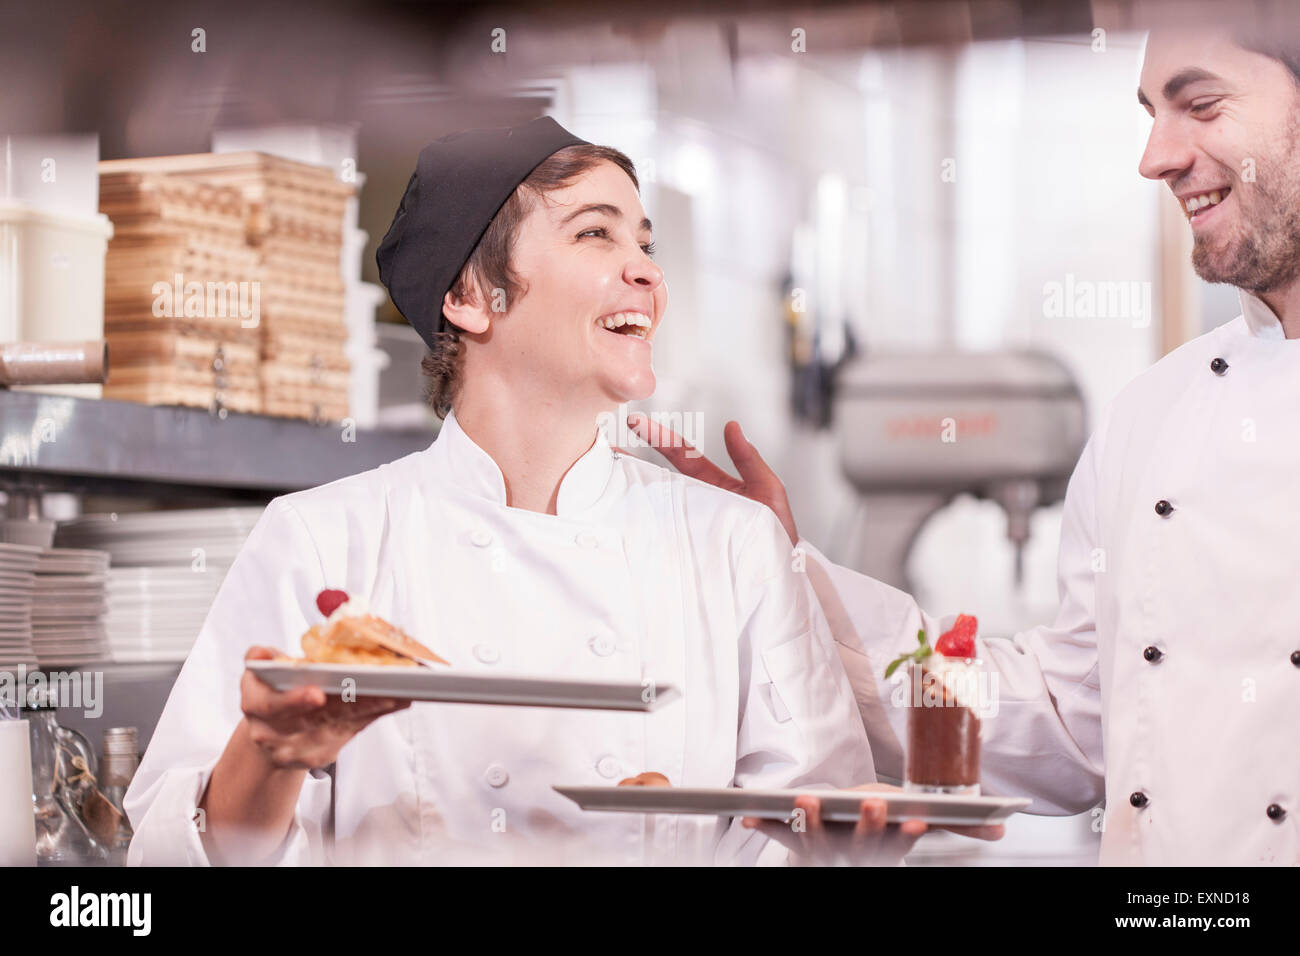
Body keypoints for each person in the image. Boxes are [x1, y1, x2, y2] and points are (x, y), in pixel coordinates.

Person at [123, 117, 999, 866]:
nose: (647, 272)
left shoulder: (733, 544)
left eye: (645, 242)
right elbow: (171, 856)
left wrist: (848, 857)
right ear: (471, 294)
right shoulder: (323, 540)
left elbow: (808, 827)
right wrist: (270, 756)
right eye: (597, 234)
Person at [632, 25, 1300, 867]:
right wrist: (786, 575)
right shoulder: (1151, 419)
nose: (1156, 157)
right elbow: (1066, 721)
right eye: (1150, 113)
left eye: (1200, 105)